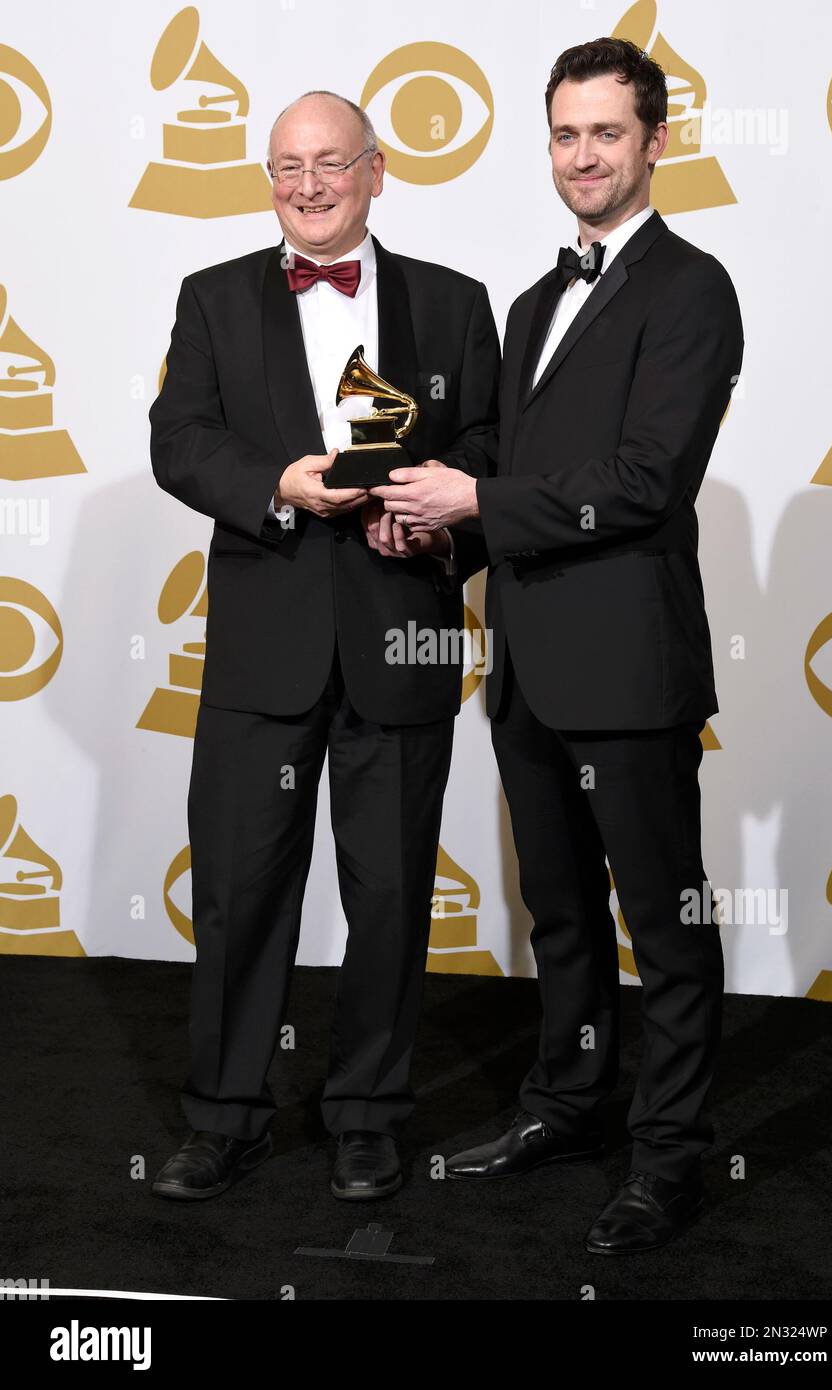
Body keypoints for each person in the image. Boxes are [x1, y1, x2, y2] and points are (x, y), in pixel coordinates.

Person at [371, 38, 744, 1253]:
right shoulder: (531, 304)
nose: (581, 155)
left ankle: (671, 1155)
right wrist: (422, 532)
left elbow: (642, 481)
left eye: (605, 133)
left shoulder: (692, 288)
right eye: (564, 134)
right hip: (527, 666)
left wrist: (473, 502)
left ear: (654, 143)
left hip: (628, 667)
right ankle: (569, 1105)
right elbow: (511, 483)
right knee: (564, 919)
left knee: (667, 922)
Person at [148, 90, 499, 1203]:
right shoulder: (212, 298)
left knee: (391, 891)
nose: (306, 185)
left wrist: (443, 520)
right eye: (286, 166)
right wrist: (277, 485)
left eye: (329, 164)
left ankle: (365, 1112)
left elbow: (492, 447)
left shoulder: (452, 303)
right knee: (243, 892)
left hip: (401, 630)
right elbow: (180, 441)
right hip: (264, 641)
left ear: (377, 171)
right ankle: (226, 1114)